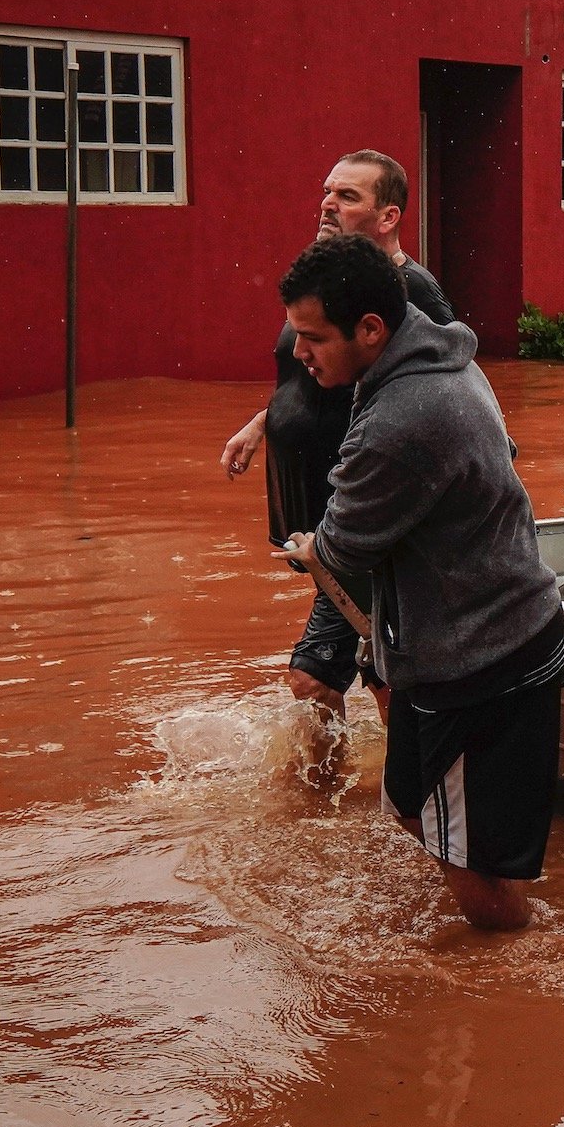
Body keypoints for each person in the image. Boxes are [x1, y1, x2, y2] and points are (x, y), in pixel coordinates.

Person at [274, 233, 564, 933]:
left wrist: (317, 540)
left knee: (467, 863)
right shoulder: (441, 353)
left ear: (370, 328)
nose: (299, 353)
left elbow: (342, 546)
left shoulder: (403, 417)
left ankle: (517, 973)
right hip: (459, 638)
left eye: (312, 338)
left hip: (478, 660)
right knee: (409, 802)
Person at [222, 152, 455, 716]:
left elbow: (448, 387)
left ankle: (341, 794)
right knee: (376, 659)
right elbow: (313, 369)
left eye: (348, 197)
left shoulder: (411, 293)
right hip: (328, 514)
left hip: (366, 518)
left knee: (316, 679)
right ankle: (384, 775)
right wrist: (264, 423)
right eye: (327, 192)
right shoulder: (330, 281)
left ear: (388, 216)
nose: (328, 204)